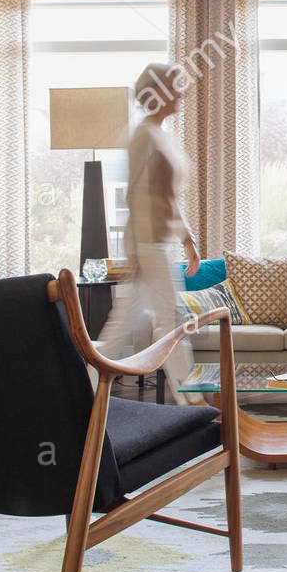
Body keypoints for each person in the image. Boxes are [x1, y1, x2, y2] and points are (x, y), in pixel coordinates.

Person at [97, 62, 200, 398]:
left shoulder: (161, 135)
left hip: (158, 244)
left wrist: (187, 240)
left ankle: (80, 387)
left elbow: (168, 197)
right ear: (156, 92)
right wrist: (133, 249)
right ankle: (193, 401)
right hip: (147, 245)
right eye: (175, 85)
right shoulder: (142, 136)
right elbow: (134, 194)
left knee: (123, 325)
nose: (181, 91)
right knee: (171, 321)